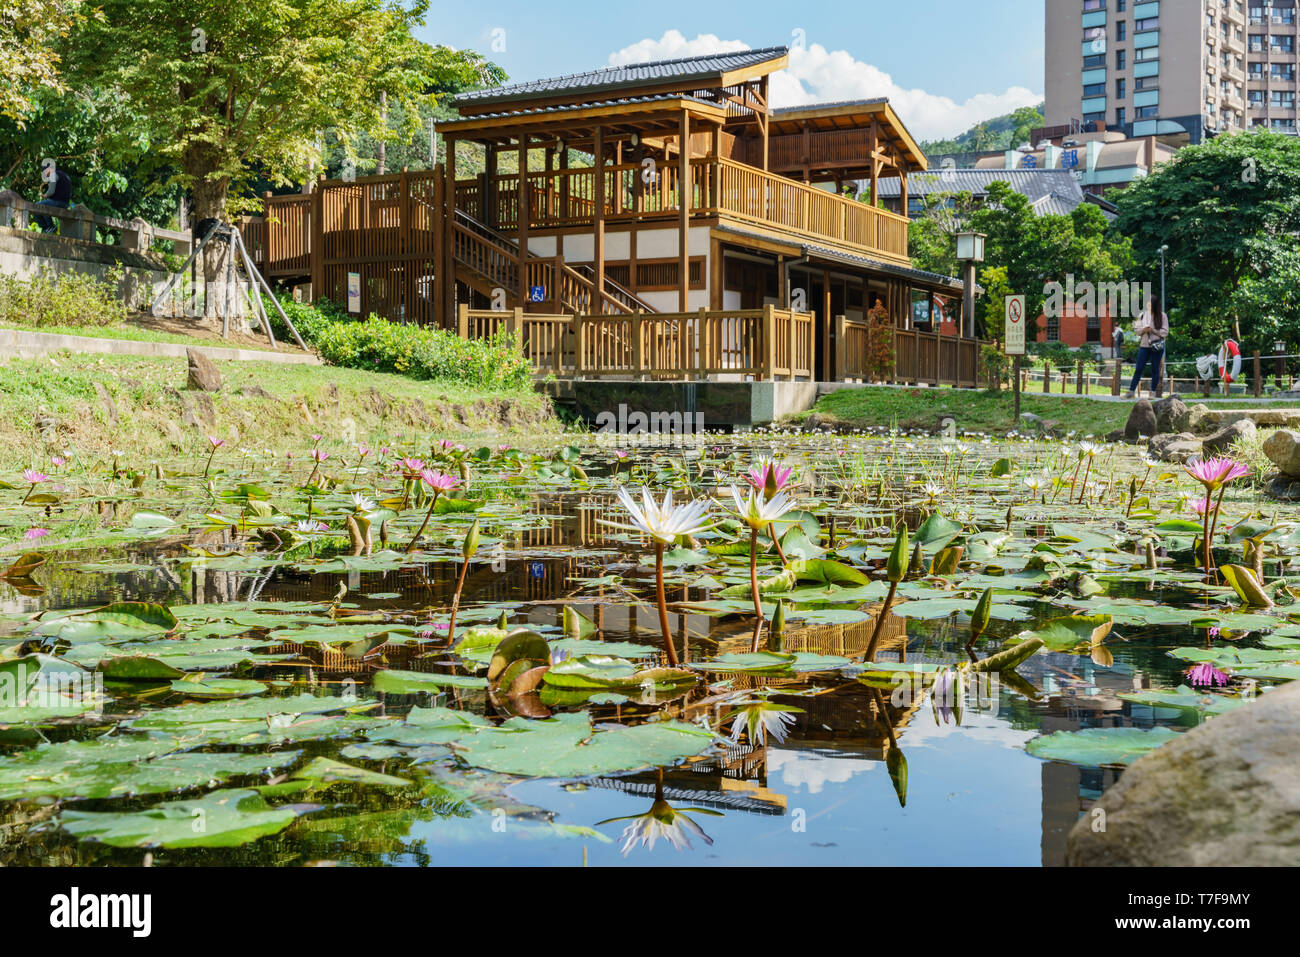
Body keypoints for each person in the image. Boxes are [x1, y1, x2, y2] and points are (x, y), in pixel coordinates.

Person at [1125, 294, 1169, 398]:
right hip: (1144, 346)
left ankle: (1153, 393)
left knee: (1155, 369)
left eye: (1150, 303)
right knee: (1139, 368)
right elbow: (1136, 330)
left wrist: (1153, 330)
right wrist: (1143, 330)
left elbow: (1165, 332)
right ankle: (1131, 391)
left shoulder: (1162, 316)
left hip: (1157, 346)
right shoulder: (1142, 315)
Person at [33, 165, 73, 234]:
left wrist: (45, 195)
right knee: (45, 205)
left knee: (37, 206)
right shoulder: (61, 174)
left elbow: (51, 192)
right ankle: (48, 228)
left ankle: (48, 227)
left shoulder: (53, 175)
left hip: (58, 202)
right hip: (65, 203)